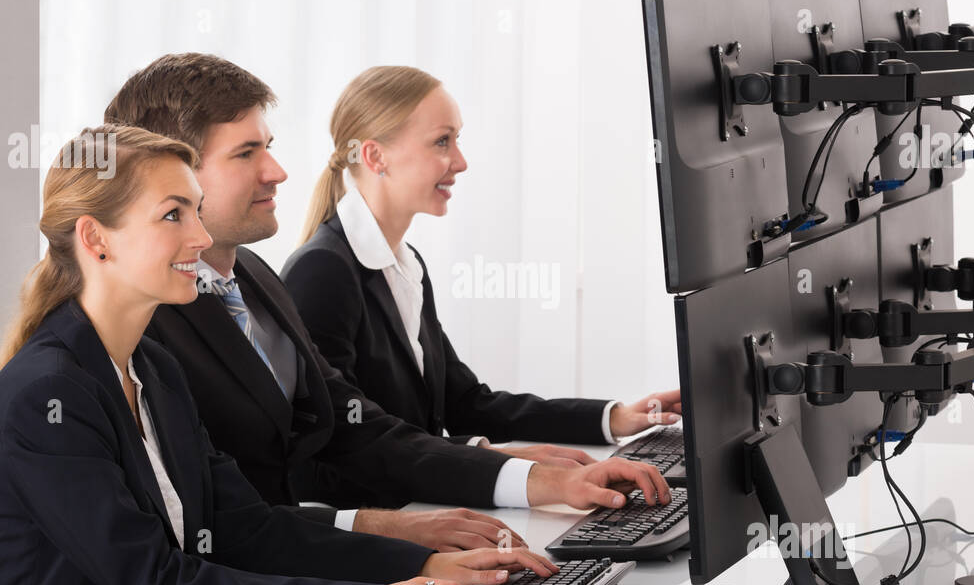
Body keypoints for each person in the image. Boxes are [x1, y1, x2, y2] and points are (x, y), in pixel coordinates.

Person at [0, 126, 553, 585]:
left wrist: (413, 567)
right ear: (97, 239)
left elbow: (247, 530)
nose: (202, 237)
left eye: (198, 211)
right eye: (174, 214)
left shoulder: (153, 367)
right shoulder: (47, 400)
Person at [103, 53, 670, 518]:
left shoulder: (256, 279)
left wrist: (536, 476)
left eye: (268, 147)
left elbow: (370, 425)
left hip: (303, 559)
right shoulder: (149, 319)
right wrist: (393, 535)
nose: (277, 171)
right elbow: (273, 487)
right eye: (247, 153)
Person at [280, 65, 683, 509]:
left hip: (425, 507)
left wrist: (613, 417)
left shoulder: (403, 264)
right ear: (376, 157)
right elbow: (343, 448)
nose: (461, 161)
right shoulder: (322, 271)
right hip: (376, 539)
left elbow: (466, 404)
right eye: (442, 141)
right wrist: (507, 465)